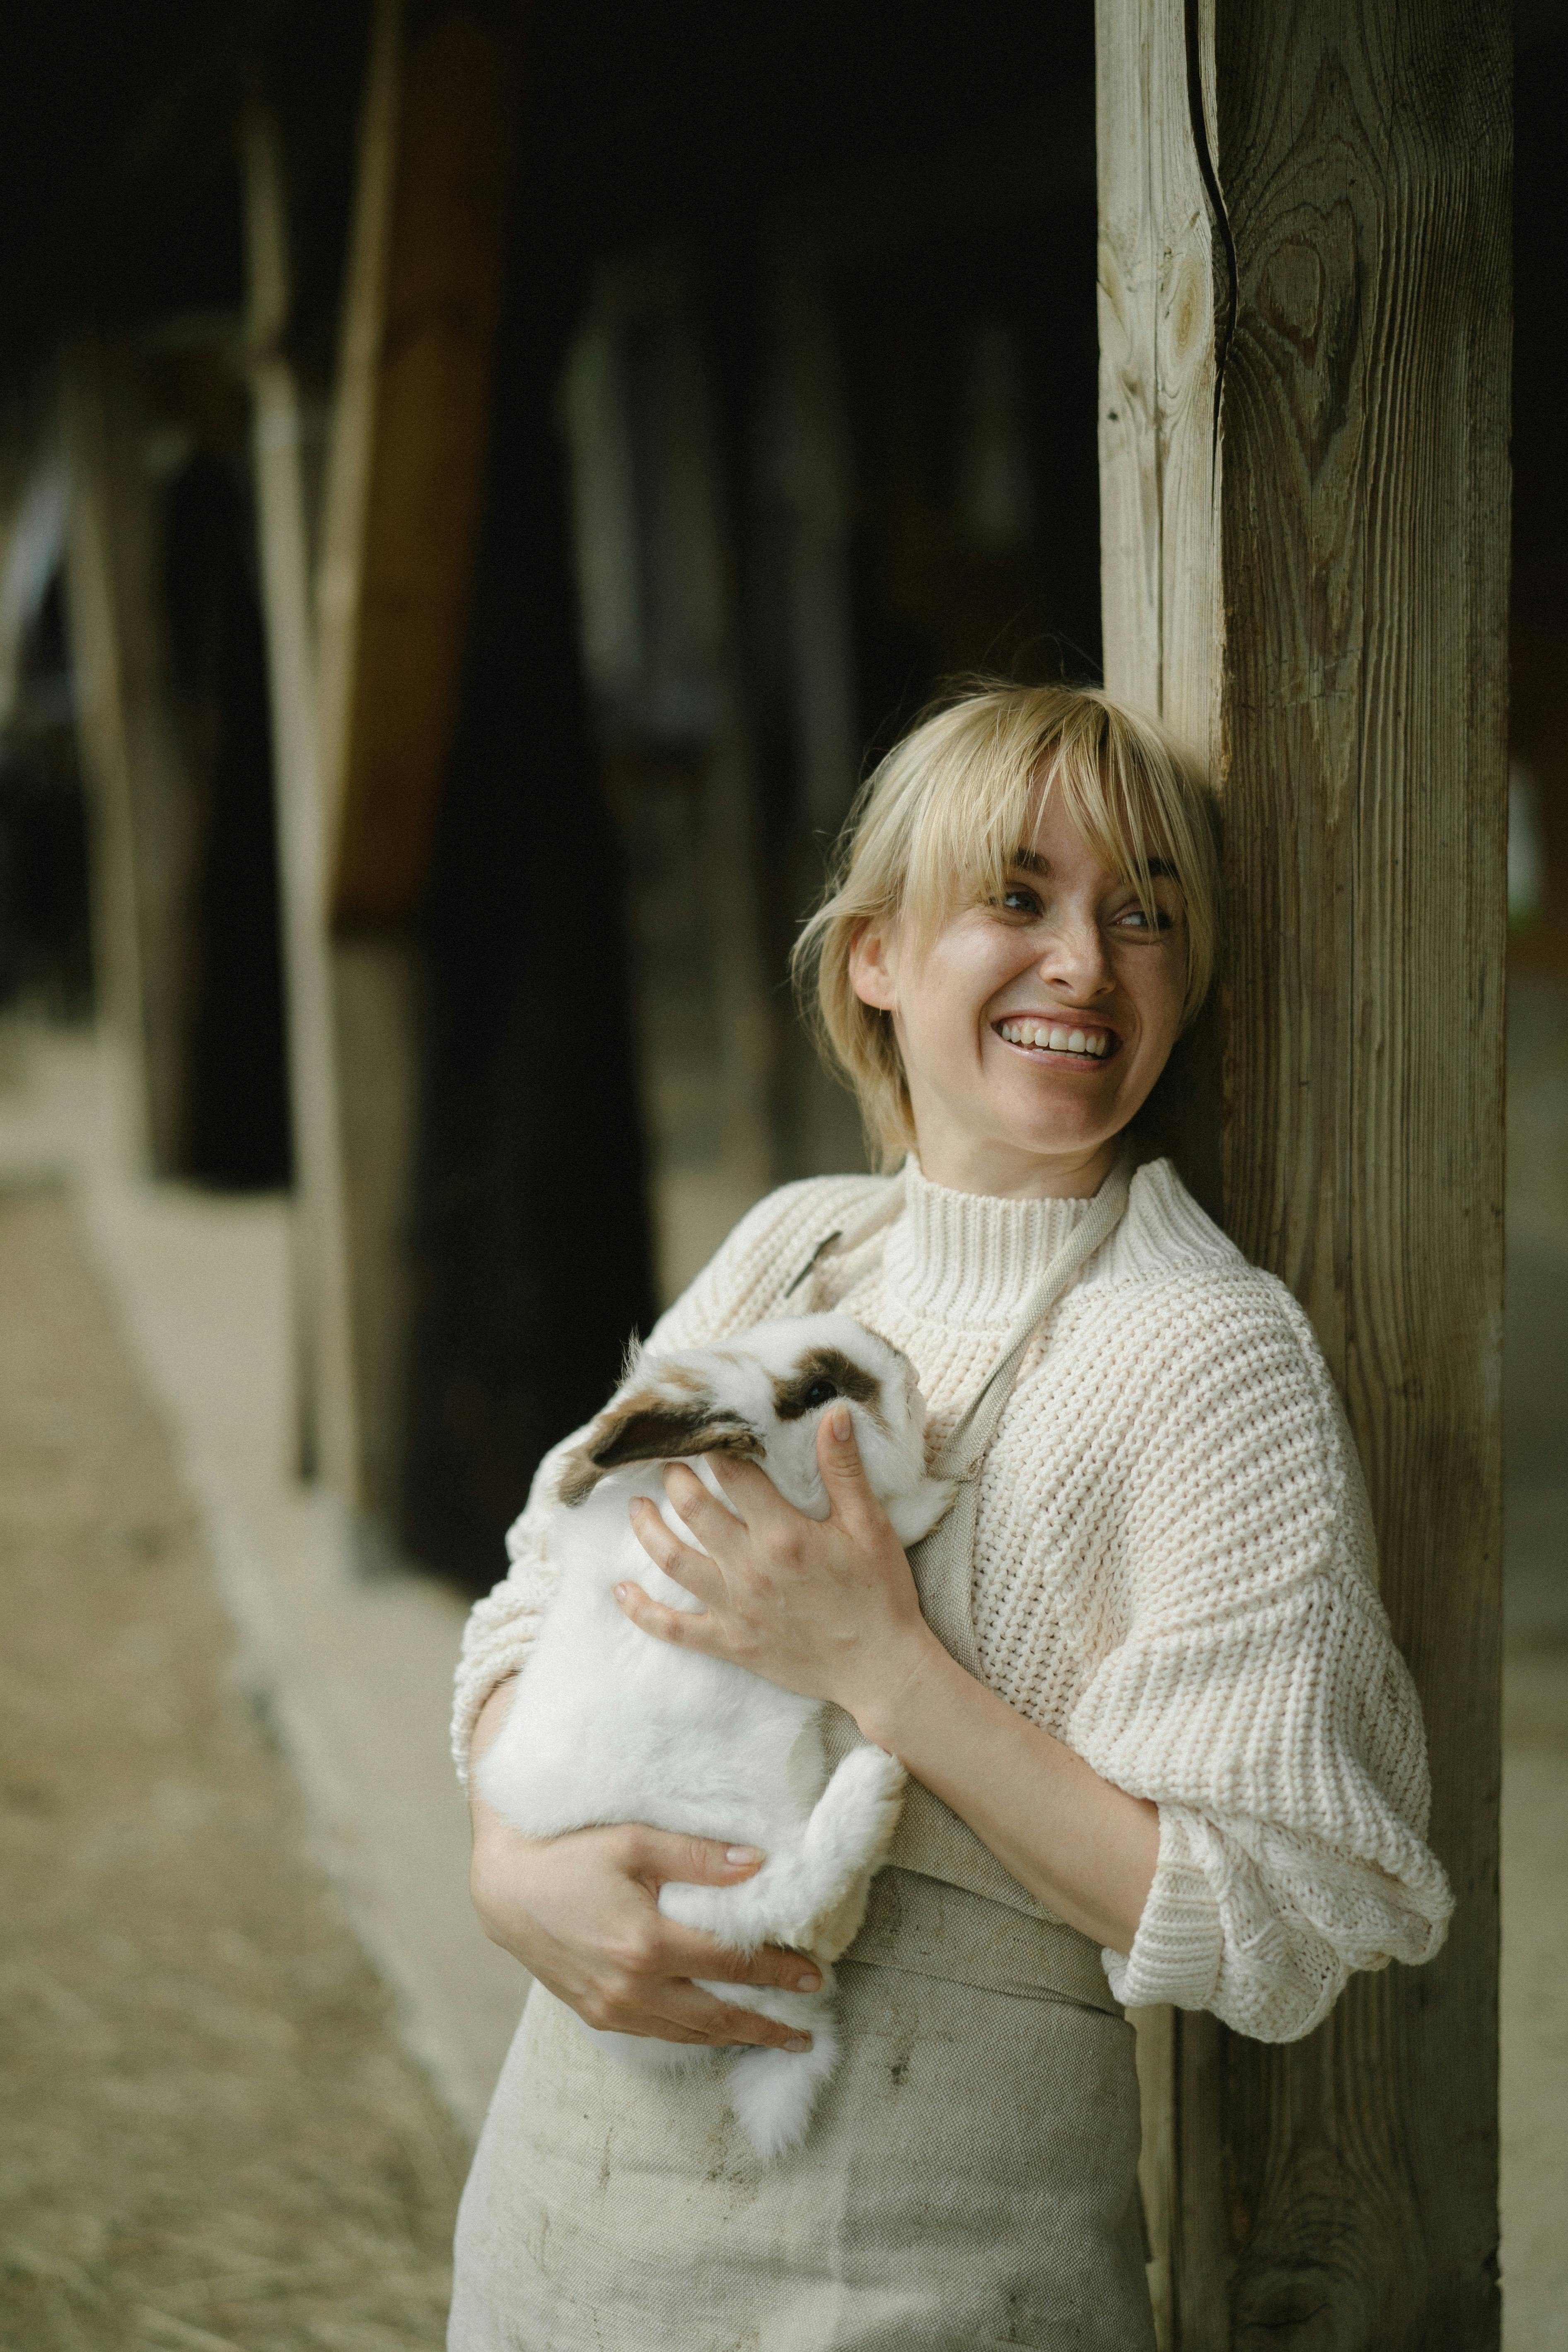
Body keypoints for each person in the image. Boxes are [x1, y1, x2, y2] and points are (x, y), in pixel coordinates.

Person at [445, 682, 1453, 2351]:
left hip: (918, 2278)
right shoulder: (797, 1247)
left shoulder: (1202, 1354)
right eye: (1016, 897)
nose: (1083, 961)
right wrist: (503, 1865)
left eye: (1143, 913)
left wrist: (886, 1670)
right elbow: (536, 1601)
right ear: (873, 956)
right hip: (566, 2231)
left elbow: (1271, 1909)